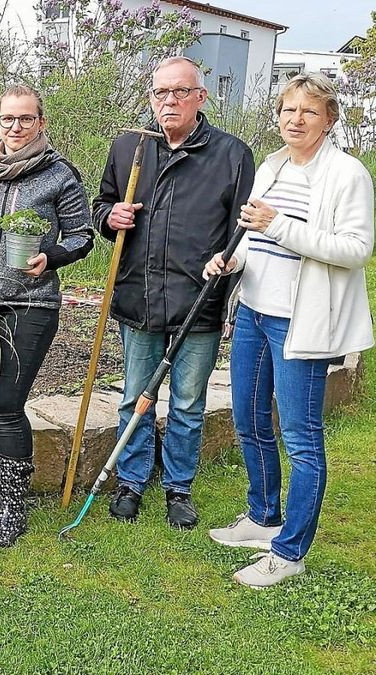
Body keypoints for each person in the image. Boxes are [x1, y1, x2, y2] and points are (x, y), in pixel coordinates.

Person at [203, 73, 373, 587]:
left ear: (330, 120)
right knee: (250, 420)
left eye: (309, 112)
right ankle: (262, 516)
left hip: (303, 322)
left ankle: (290, 552)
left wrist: (278, 224)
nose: (295, 120)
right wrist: (231, 261)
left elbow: (355, 249)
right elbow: (256, 237)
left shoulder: (347, 175)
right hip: (254, 309)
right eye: (288, 110)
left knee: (302, 439)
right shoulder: (271, 167)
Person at [92, 56, 254, 529]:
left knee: (187, 401)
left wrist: (228, 270)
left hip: (198, 300)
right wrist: (110, 217)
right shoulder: (129, 148)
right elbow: (104, 202)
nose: (169, 101)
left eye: (179, 92)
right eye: (160, 93)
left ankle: (178, 487)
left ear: (201, 97)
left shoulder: (231, 154)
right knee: (135, 397)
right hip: (139, 295)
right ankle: (131, 481)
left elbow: (240, 231)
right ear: (151, 98)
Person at [0, 84, 94, 547]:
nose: (15, 127)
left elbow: (82, 234)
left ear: (41, 123)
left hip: (31, 304)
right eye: (7, 119)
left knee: (8, 403)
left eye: (25, 119)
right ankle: (0, 488)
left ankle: (15, 508)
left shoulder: (59, 175)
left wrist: (49, 258)